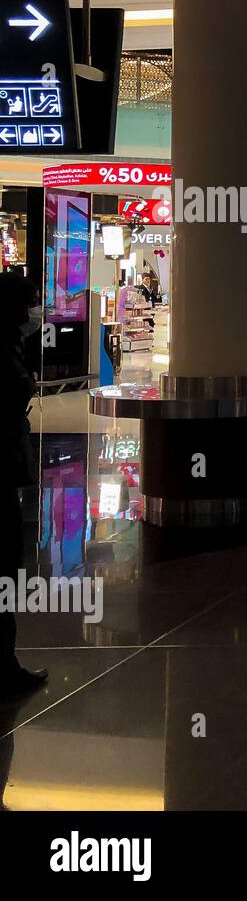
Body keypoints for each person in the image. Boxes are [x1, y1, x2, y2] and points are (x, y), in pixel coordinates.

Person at [0, 272, 47, 699]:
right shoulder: (3, 350)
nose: (38, 310)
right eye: (33, 301)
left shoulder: (11, 343)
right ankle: (4, 668)